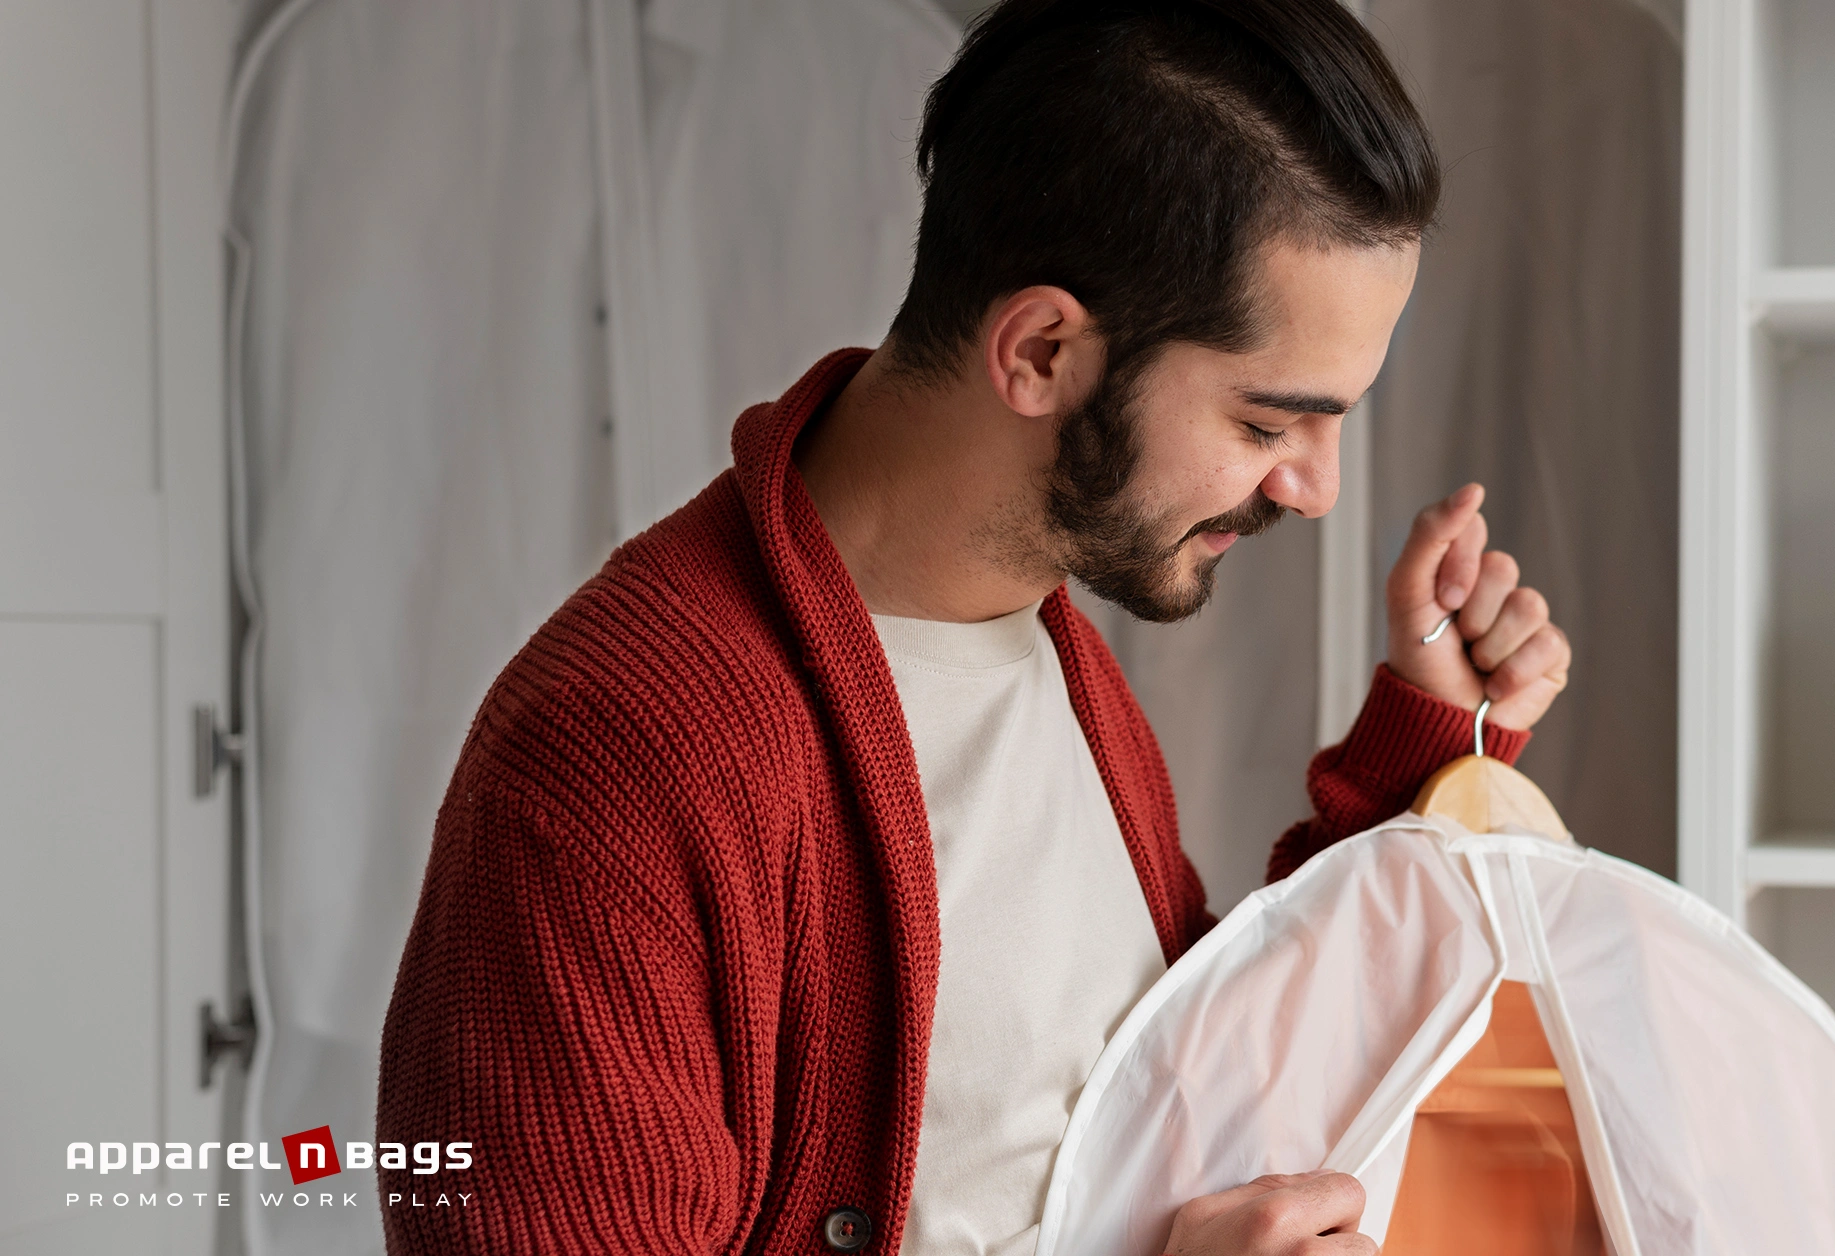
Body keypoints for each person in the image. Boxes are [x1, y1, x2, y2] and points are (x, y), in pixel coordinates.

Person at [373, 0, 1572, 1252]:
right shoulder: (614, 759)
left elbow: (1175, 1079)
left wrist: (1426, 737)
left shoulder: (1045, 645)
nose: (1313, 486)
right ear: (1044, 350)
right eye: (1269, 424)